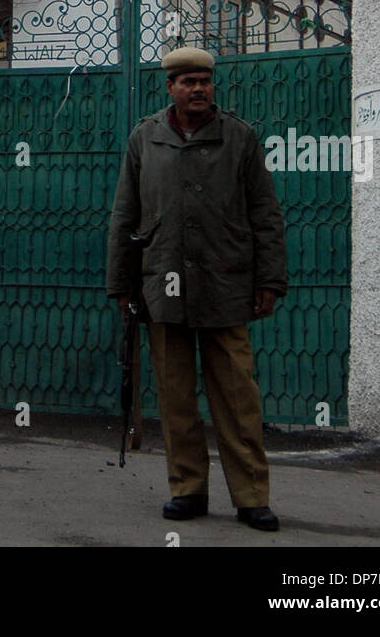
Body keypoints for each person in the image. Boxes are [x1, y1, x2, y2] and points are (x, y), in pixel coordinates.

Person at [106, 46, 286, 531]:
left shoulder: (240, 139)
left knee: (237, 396)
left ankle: (251, 496)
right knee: (176, 395)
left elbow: (266, 215)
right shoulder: (146, 138)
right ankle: (187, 488)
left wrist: (269, 279)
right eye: (187, 81)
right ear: (170, 87)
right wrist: (121, 284)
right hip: (162, 285)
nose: (198, 89)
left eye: (204, 80)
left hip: (227, 286)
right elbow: (125, 214)